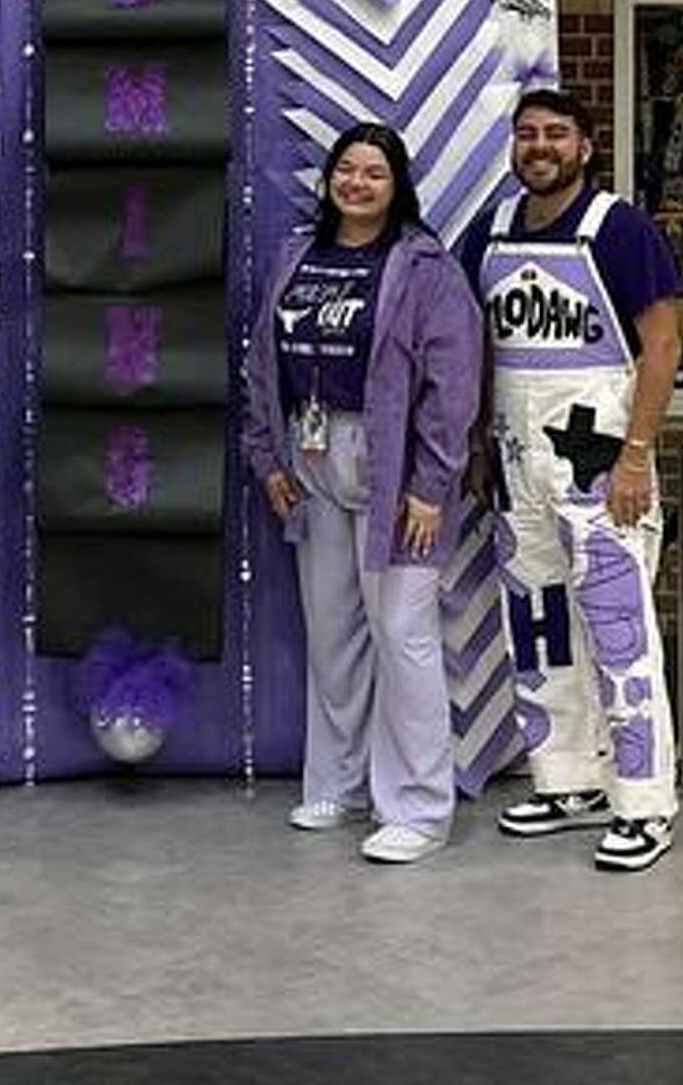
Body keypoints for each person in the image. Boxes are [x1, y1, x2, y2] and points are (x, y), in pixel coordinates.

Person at [244, 122, 484, 865]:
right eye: (346, 169)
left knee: (403, 634)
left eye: (373, 173)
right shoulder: (297, 255)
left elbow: (453, 384)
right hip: (312, 458)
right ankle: (338, 784)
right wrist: (269, 457)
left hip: (394, 471)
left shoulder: (425, 268)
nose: (356, 183)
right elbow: (261, 360)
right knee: (333, 631)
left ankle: (418, 806)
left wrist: (430, 484)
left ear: (396, 184)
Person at [458, 86, 683, 874]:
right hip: (518, 464)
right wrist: (477, 442)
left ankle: (644, 800)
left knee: (619, 630)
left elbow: (661, 345)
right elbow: (478, 343)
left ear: (585, 146)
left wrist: (636, 455)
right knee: (539, 623)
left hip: (600, 467)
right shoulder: (489, 229)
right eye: (527, 134)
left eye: (557, 133)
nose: (540, 146)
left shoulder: (618, 227)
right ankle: (567, 779)